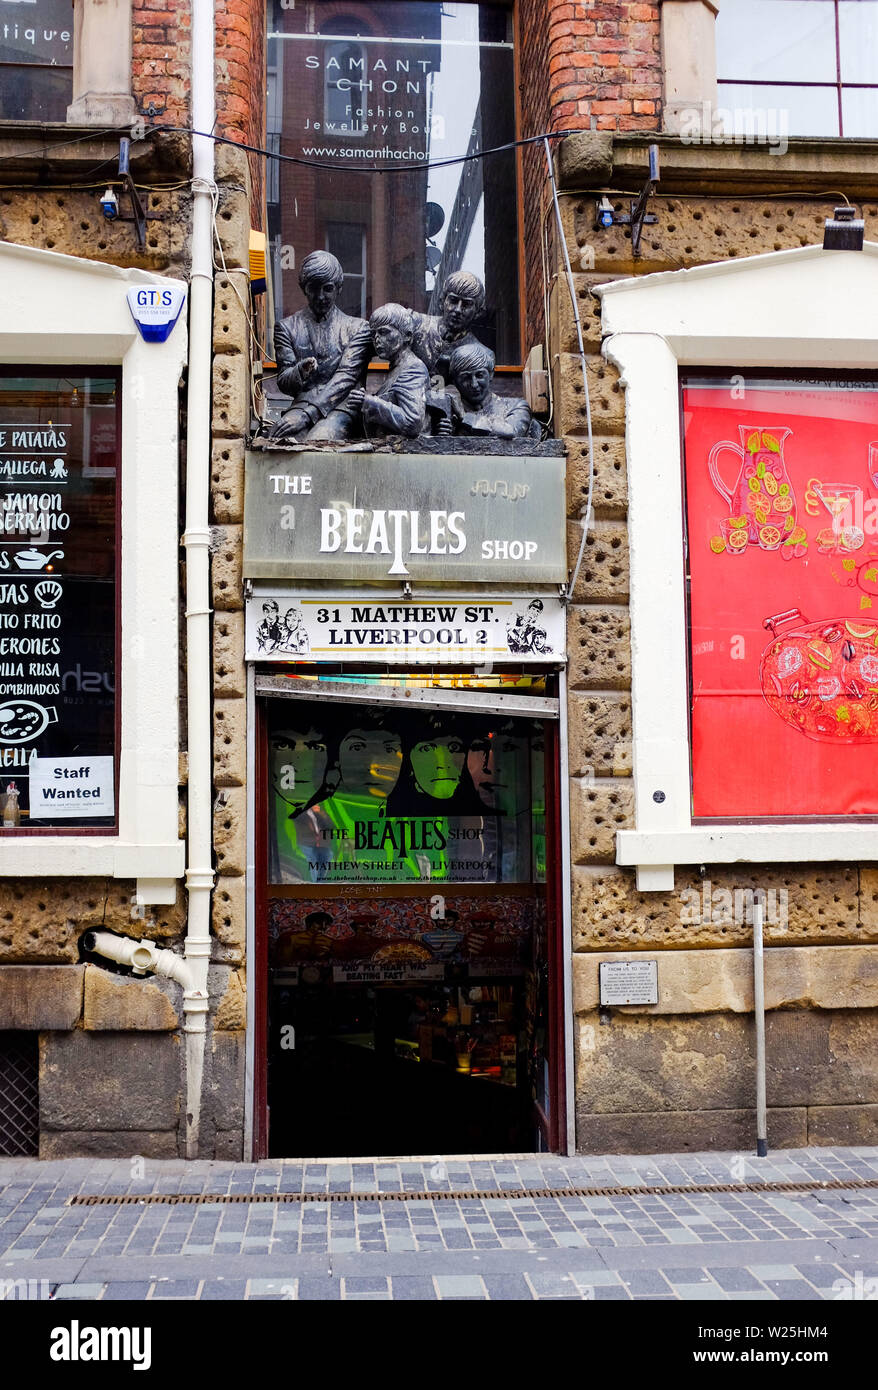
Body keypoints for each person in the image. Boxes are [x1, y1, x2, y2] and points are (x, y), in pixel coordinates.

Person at [271, 250, 372, 441]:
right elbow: (284, 381)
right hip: (301, 405)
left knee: (319, 440)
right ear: (303, 288)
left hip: (342, 407)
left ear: (339, 288)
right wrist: (298, 372)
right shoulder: (286, 327)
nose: (320, 296)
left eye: (327, 288)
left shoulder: (358, 329)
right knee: (278, 440)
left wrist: (308, 415)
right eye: (313, 288)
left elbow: (346, 378)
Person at [345, 303, 429, 440]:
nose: (377, 339)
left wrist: (368, 402)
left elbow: (412, 422)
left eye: (384, 332)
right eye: (373, 334)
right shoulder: (395, 369)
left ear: (407, 336)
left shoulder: (413, 369)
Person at [443, 341, 537, 439]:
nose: (474, 384)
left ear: (491, 374)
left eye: (479, 375)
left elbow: (512, 432)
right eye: (466, 377)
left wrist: (465, 417)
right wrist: (444, 434)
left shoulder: (515, 406)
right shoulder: (449, 413)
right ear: (455, 381)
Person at [412, 271, 488, 382]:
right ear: (441, 302)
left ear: (478, 312)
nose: (458, 310)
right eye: (453, 300)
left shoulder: (482, 355)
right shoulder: (416, 326)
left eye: (466, 304)